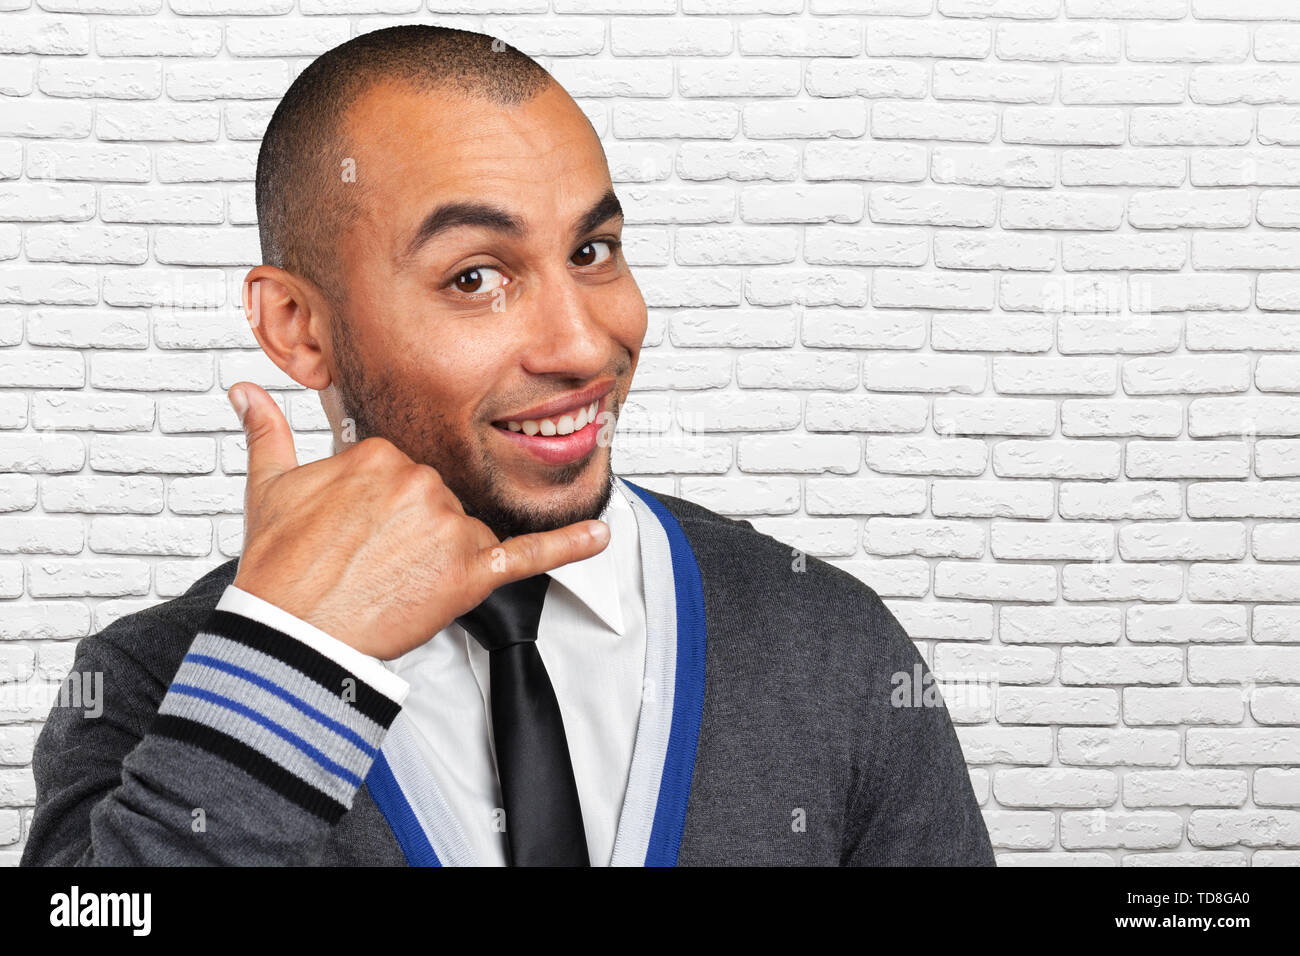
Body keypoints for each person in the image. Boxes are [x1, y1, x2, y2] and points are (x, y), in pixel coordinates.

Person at [20, 25, 994, 867]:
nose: (582, 345)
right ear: (298, 327)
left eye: (590, 252)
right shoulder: (152, 685)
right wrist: (290, 660)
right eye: (478, 276)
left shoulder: (826, 640)